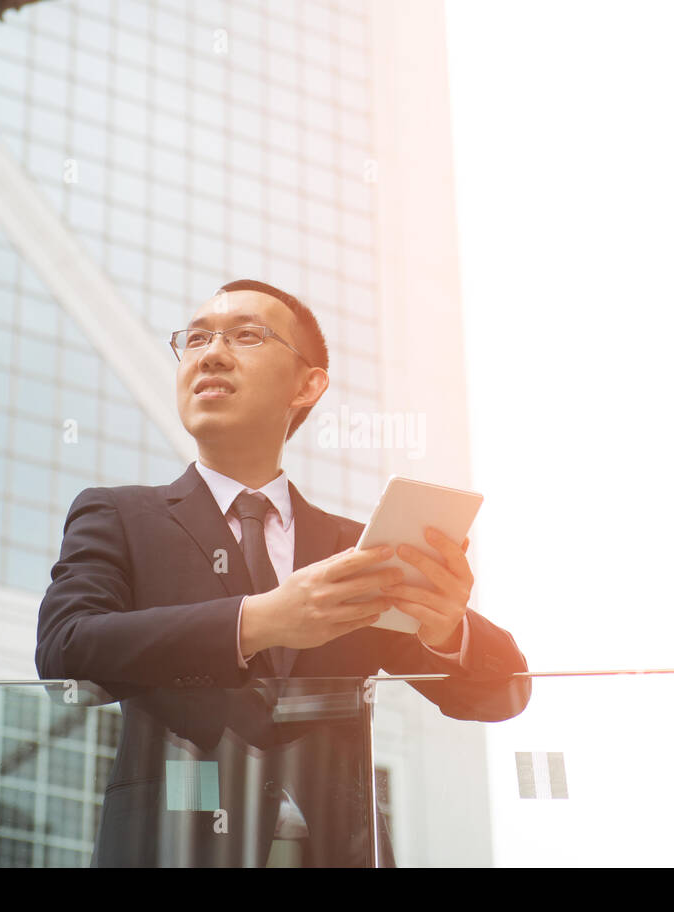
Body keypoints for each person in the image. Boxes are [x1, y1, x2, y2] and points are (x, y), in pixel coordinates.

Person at [36, 278, 530, 866]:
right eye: (195, 339)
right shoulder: (121, 516)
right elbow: (65, 651)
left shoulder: (355, 550)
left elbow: (503, 694)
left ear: (308, 384)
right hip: (173, 848)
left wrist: (446, 630)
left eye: (246, 335)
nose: (212, 353)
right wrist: (260, 621)